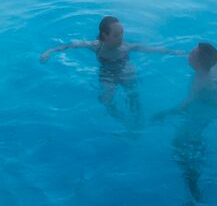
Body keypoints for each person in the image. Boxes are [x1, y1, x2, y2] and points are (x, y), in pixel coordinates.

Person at [39, 16, 184, 126]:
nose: (121, 38)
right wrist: (49, 52)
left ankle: (137, 122)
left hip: (125, 69)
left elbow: (151, 49)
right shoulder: (96, 46)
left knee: (133, 96)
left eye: (122, 33)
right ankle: (122, 122)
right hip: (107, 72)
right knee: (106, 101)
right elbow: (70, 45)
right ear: (104, 35)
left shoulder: (126, 47)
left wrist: (173, 52)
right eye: (116, 35)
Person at [154, 41, 217, 205]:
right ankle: (199, 153)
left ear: (197, 62)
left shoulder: (199, 82)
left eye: (190, 54)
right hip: (208, 112)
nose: (188, 55)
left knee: (179, 145)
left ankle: (194, 193)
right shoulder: (212, 71)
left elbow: (186, 104)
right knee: (194, 141)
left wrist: (164, 113)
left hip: (199, 115)